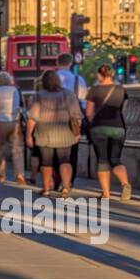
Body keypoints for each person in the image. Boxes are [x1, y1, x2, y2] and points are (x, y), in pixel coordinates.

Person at [26, 69, 82, 198]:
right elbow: (76, 115)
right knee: (65, 160)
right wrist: (77, 132)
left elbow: (32, 118)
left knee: (46, 162)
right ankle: (66, 188)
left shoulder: (38, 96)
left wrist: (29, 136)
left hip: (44, 133)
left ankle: (46, 188)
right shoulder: (68, 94)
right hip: (65, 132)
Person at [86, 63, 132, 201]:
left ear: (100, 75)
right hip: (118, 127)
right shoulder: (120, 89)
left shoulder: (94, 90)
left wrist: (92, 122)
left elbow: (89, 113)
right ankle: (125, 184)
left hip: (99, 127)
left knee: (103, 160)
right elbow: (125, 110)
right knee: (116, 159)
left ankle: (106, 193)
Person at [55, 51, 88, 183]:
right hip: (73, 118)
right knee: (73, 149)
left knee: (55, 148)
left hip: (55, 117)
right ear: (70, 64)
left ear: (57, 63)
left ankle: (56, 177)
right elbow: (83, 100)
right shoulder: (78, 80)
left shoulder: (52, 78)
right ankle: (69, 179)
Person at [0, 71, 25, 184]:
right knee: (17, 149)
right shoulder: (16, 90)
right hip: (14, 121)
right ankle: (19, 174)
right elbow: (20, 106)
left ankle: (0, 176)